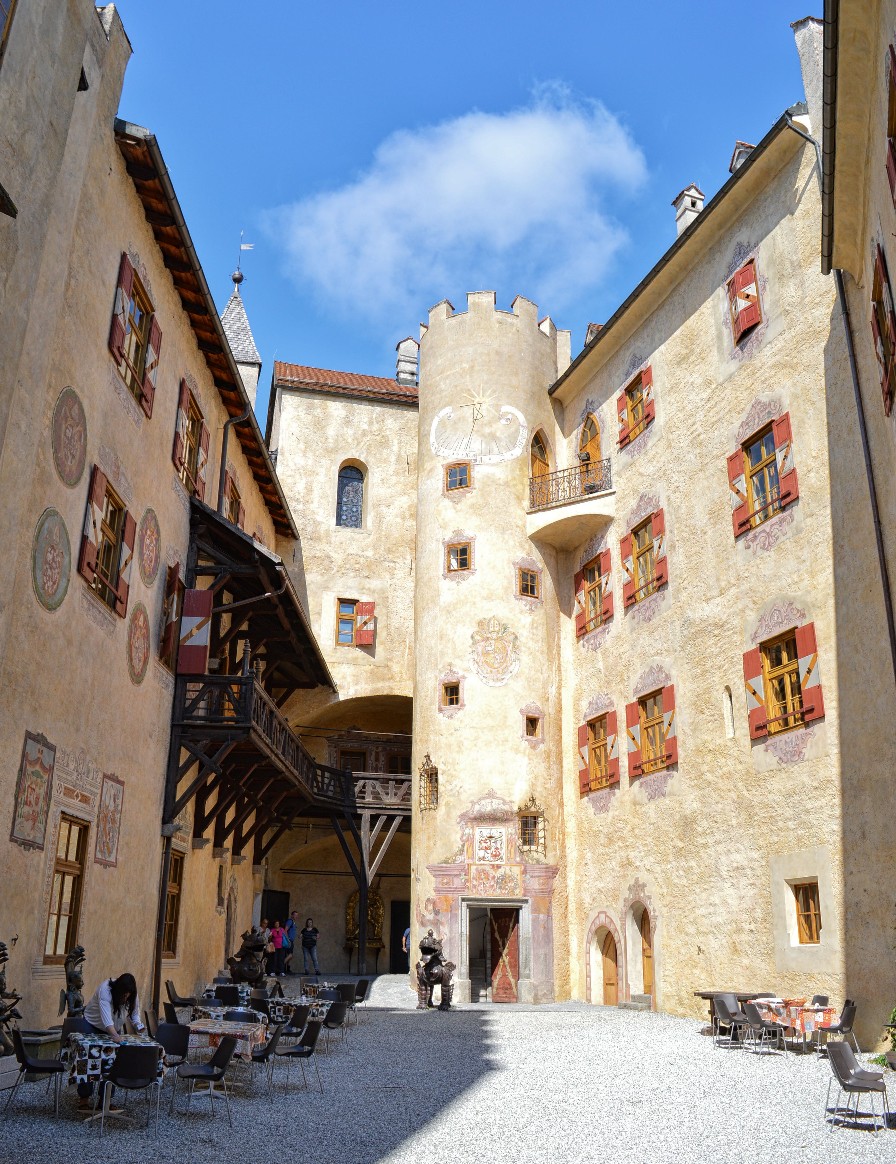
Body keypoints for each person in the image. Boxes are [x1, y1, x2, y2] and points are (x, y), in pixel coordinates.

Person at [78, 972, 145, 1108]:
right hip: (92, 1025)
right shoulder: (105, 990)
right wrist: (115, 1036)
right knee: (87, 1058)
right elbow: (106, 1020)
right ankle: (84, 1098)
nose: (126, 997)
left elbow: (134, 1013)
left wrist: (138, 1025)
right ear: (118, 990)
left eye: (128, 995)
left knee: (112, 1061)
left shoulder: (132, 994)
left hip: (114, 1027)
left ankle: (105, 1100)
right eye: (124, 994)